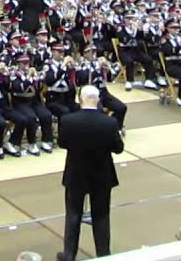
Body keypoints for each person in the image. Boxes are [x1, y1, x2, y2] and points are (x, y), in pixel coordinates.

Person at [57, 86, 123, 261]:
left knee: (73, 215)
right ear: (98, 100)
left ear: (80, 99)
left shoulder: (68, 120)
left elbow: (62, 143)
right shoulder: (109, 122)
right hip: (101, 175)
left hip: (76, 173)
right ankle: (103, 255)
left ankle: (69, 255)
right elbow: (118, 148)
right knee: (101, 216)